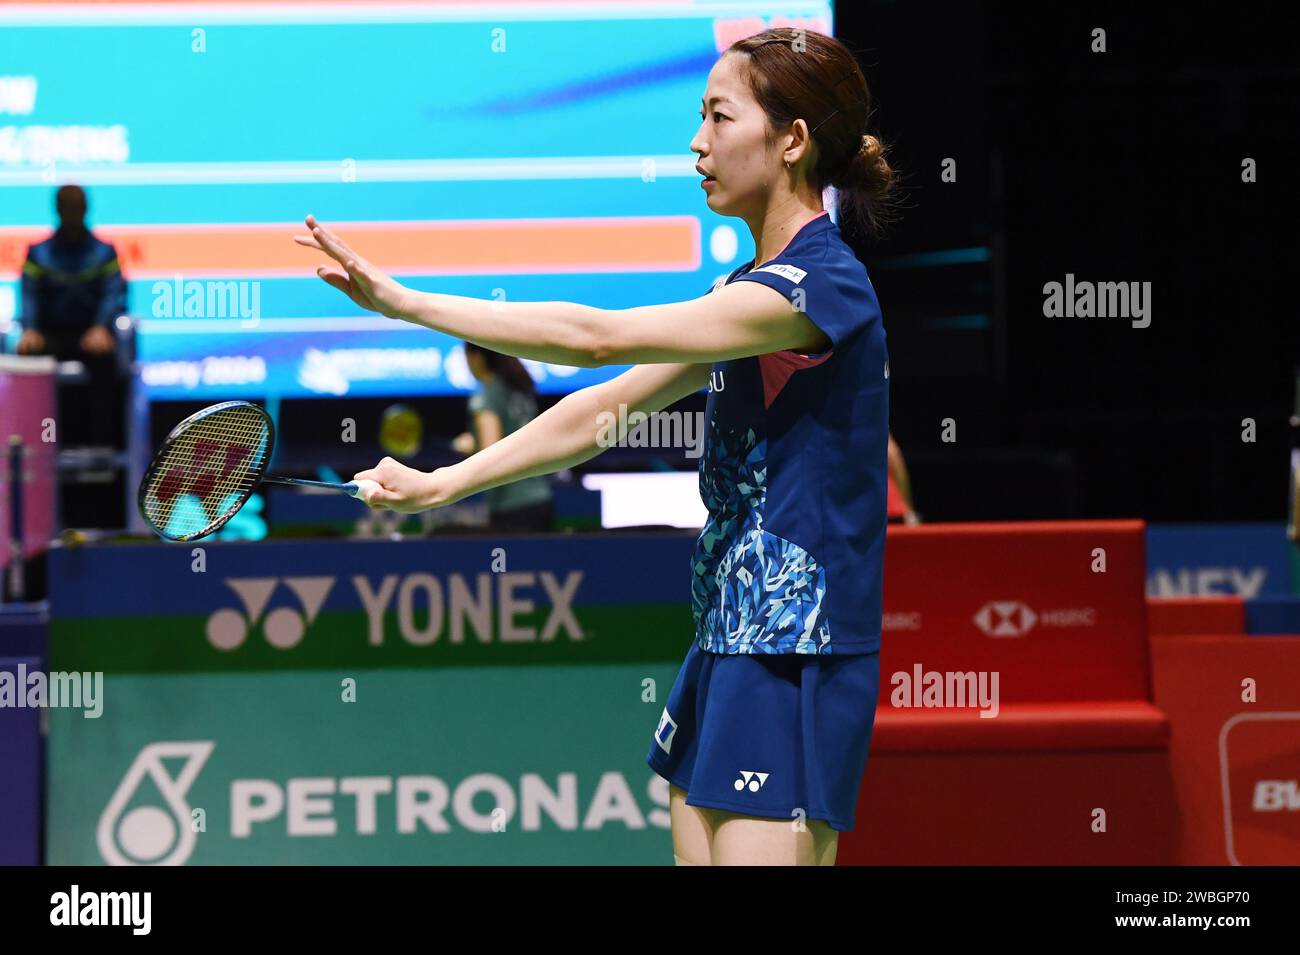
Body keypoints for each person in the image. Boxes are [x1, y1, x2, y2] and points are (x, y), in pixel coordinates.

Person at [295, 26, 898, 865]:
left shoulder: (819, 286)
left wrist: (406, 303)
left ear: (792, 140)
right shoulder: (742, 295)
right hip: (725, 639)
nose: (697, 142)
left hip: (794, 650)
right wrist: (444, 483)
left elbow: (598, 340)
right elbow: (599, 410)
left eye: (720, 118)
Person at [16, 184, 128, 447]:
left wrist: (101, 327)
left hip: (90, 335)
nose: (71, 212)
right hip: (50, 336)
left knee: (107, 362)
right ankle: (40, 441)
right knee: (28, 359)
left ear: (85, 208)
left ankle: (102, 445)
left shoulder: (105, 252)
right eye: (66, 207)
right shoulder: (38, 253)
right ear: (57, 209)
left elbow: (113, 294)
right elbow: (30, 295)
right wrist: (30, 328)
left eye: (76, 206)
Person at [452, 342, 554, 531]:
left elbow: (491, 452)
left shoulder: (486, 394)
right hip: (541, 497)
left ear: (476, 358)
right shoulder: (518, 387)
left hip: (512, 504)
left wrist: (473, 447)